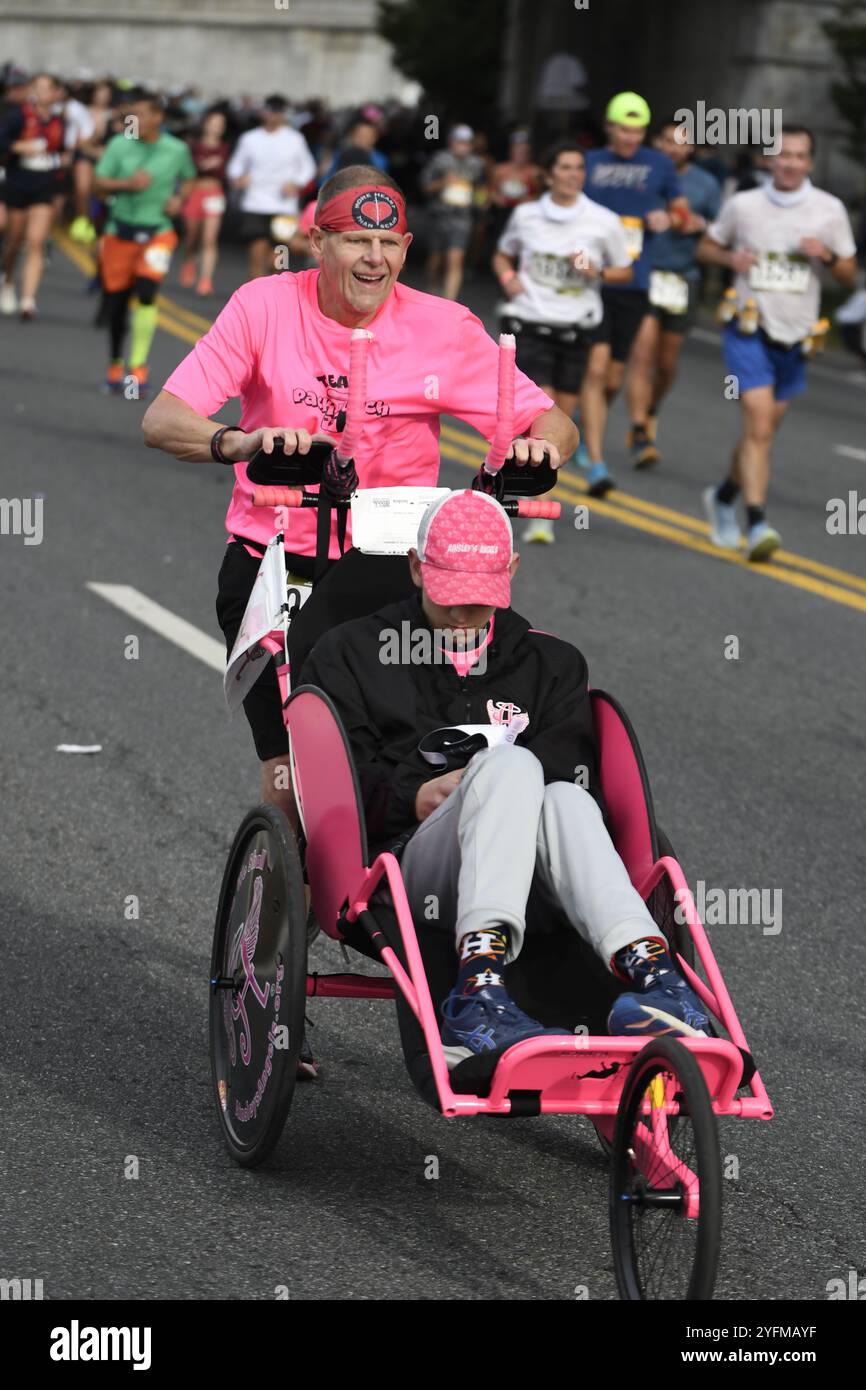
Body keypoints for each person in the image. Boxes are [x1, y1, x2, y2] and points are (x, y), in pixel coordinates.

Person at [141, 165, 577, 822]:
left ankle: (401, 884)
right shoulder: (264, 305)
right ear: (319, 243)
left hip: (391, 569)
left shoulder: (443, 327)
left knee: (409, 745)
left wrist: (539, 447)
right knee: (294, 766)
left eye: (390, 243)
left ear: (405, 248)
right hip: (276, 560)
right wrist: (242, 441)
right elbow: (162, 419)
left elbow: (552, 422)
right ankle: (292, 893)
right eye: (355, 241)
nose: (375, 258)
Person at [301, 489, 710, 1062]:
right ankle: (479, 986)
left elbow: (578, 779)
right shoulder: (350, 653)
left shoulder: (551, 663)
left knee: (564, 797)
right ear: (417, 569)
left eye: (481, 598)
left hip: (541, 878)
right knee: (514, 763)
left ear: (511, 571)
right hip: (410, 871)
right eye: (451, 597)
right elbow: (335, 788)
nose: (465, 615)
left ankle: (653, 973)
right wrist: (414, 795)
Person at [698, 126, 857, 561]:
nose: (790, 163)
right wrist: (730, 258)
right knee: (760, 426)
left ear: (810, 162)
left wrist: (825, 256)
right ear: (770, 159)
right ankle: (758, 523)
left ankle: (724, 496)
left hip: (799, 336)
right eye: (782, 154)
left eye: (800, 156)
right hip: (748, 329)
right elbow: (707, 247)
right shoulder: (745, 205)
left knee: (762, 431)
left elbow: (848, 274)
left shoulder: (829, 210)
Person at [492, 138, 633, 543]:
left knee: (561, 422)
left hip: (576, 328)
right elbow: (502, 254)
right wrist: (508, 279)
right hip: (532, 321)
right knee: (541, 412)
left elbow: (625, 271)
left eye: (579, 169)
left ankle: (535, 494)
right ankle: (536, 515)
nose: (573, 176)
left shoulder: (602, 220)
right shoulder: (526, 215)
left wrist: (593, 269)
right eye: (565, 168)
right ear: (548, 174)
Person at [580, 92, 689, 493]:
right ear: (610, 127)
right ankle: (595, 458)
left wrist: (670, 217)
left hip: (635, 279)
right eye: (624, 129)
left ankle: (587, 426)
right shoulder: (589, 163)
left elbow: (683, 211)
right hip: (594, 280)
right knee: (595, 368)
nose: (630, 137)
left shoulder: (659, 164)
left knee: (613, 377)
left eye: (638, 130)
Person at [625, 117, 721, 466]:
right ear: (657, 142)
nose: (673, 147)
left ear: (692, 147)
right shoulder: (641, 173)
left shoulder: (706, 184)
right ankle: (639, 433)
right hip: (644, 275)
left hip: (682, 278)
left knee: (666, 364)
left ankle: (651, 409)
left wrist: (699, 224)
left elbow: (720, 231)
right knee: (642, 356)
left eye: (681, 141)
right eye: (667, 140)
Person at [93, 89, 197, 394]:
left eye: (139, 114)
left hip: (158, 231)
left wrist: (179, 198)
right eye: (131, 114)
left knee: (147, 291)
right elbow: (97, 184)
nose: (133, 119)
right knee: (117, 303)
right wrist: (126, 184)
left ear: (157, 117)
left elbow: (189, 178)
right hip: (120, 231)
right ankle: (115, 365)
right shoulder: (118, 145)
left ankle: (138, 368)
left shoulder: (176, 149)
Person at [0, 72, 69, 319]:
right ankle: (7, 281)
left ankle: (28, 300)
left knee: (36, 241)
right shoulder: (18, 115)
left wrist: (63, 159)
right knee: (14, 241)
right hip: (18, 181)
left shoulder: (61, 120)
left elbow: (62, 150)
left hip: (44, 184)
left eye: (47, 88)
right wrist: (20, 147)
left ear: (55, 93)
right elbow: (2, 143)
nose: (41, 92)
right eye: (37, 87)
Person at [227, 94, 316, 280]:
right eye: (270, 111)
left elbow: (308, 167)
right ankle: (255, 291)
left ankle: (277, 288)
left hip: (284, 205)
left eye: (278, 112)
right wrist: (239, 177)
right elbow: (235, 165)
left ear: (283, 115)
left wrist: (296, 183)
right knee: (257, 249)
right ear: (263, 112)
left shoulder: (295, 139)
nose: (273, 116)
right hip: (256, 202)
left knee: (280, 253)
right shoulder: (249, 138)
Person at [420, 124, 486, 301]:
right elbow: (425, 187)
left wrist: (482, 202)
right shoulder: (439, 160)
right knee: (435, 259)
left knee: (455, 259)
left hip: (462, 219)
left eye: (466, 142)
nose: (463, 145)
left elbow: (480, 189)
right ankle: (431, 291)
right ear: (452, 141)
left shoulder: (477, 164)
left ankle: (449, 303)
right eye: (459, 141)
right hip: (439, 216)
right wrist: (443, 182)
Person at [178, 108, 230, 295]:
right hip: (194, 192)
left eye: (220, 124)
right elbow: (187, 169)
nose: (217, 127)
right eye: (214, 123)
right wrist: (203, 165)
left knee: (209, 238)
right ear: (206, 124)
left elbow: (225, 171)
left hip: (214, 192)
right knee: (192, 235)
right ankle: (189, 258)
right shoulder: (193, 146)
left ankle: (205, 279)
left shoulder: (224, 147)